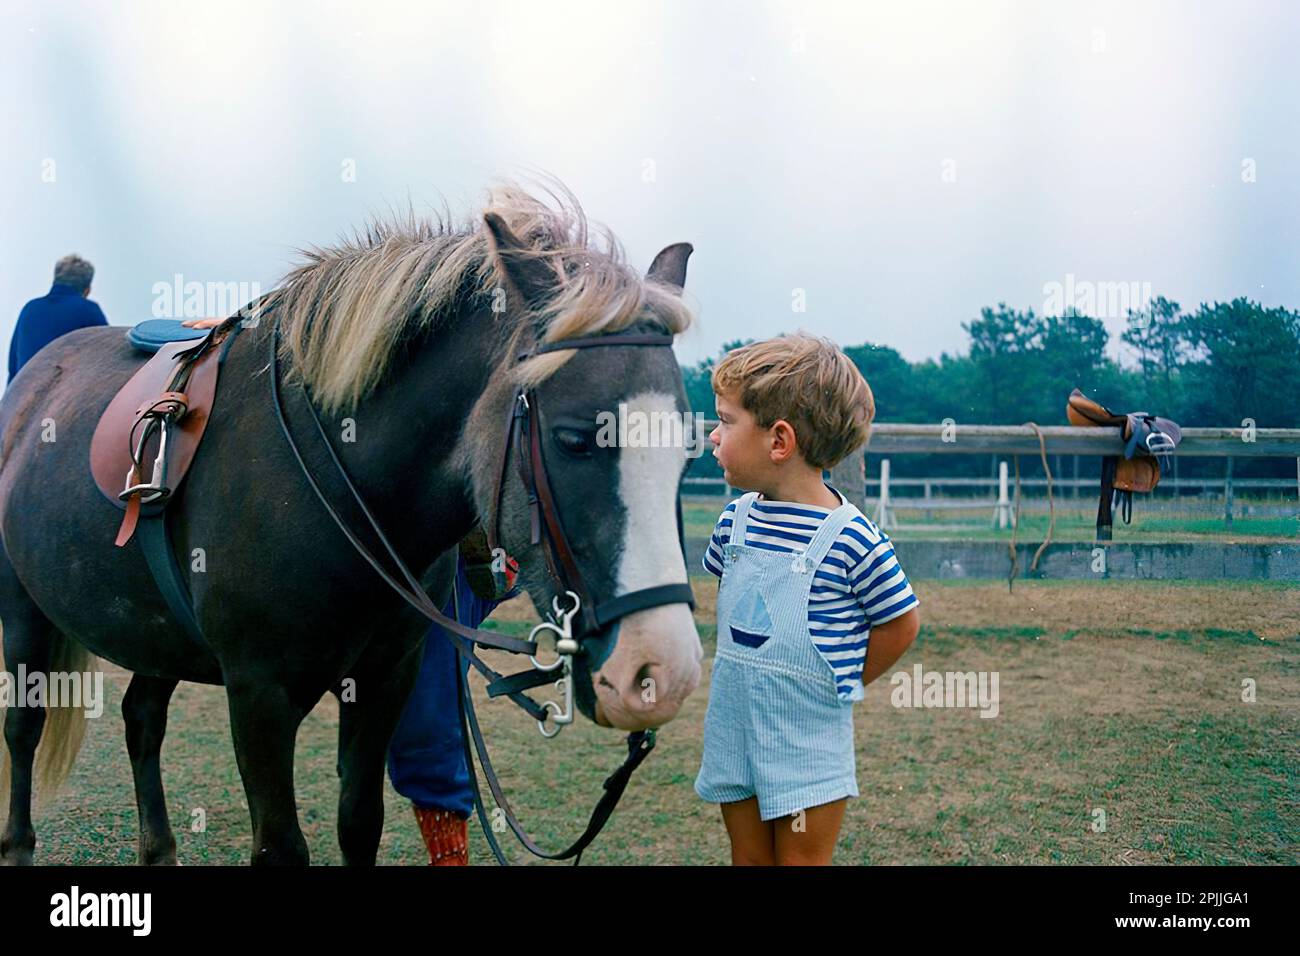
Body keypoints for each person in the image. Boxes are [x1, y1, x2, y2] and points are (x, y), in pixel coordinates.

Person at [695, 332, 921, 865]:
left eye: (725, 421)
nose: (712, 436)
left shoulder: (852, 538)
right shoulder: (734, 522)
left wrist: (841, 677)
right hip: (735, 726)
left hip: (807, 742)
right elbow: (729, 603)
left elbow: (901, 623)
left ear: (780, 441)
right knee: (748, 859)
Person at [8, 254, 108, 384]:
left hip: (21, 393)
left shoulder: (30, 308)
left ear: (55, 280)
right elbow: (108, 360)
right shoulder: (89, 310)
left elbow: (13, 367)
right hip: (67, 390)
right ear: (87, 290)